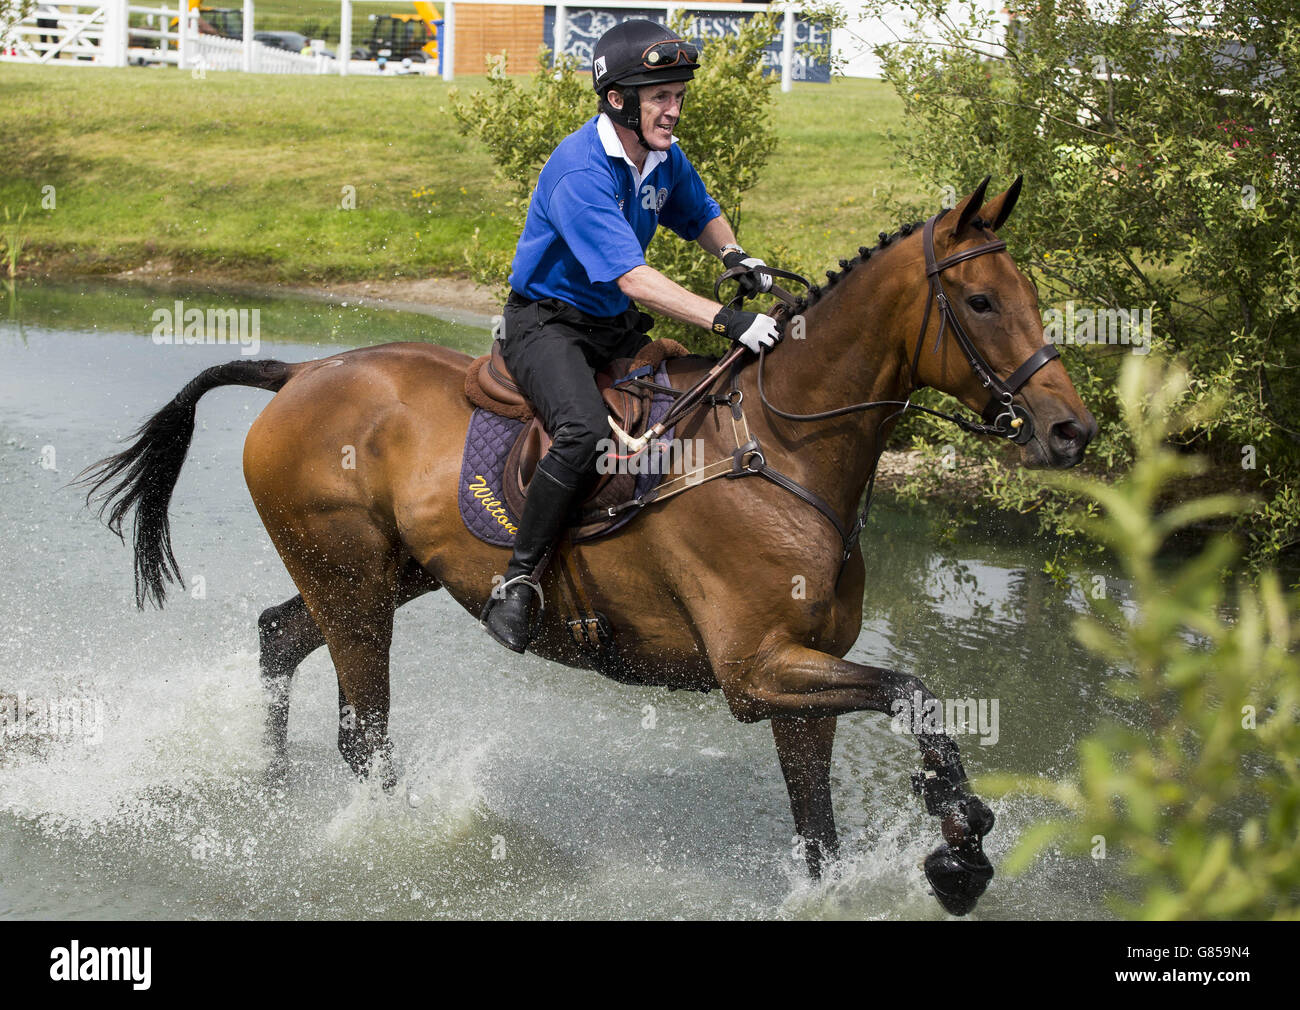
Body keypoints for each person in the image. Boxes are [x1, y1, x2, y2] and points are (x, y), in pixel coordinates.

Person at [481, 18, 781, 654]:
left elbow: (698, 211)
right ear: (618, 100)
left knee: (694, 404)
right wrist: (728, 321)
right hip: (545, 325)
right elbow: (635, 278)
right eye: (661, 98)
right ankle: (517, 582)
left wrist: (735, 255)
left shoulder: (661, 157)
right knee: (583, 433)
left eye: (677, 96)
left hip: (612, 324)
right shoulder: (580, 173)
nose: (674, 110)